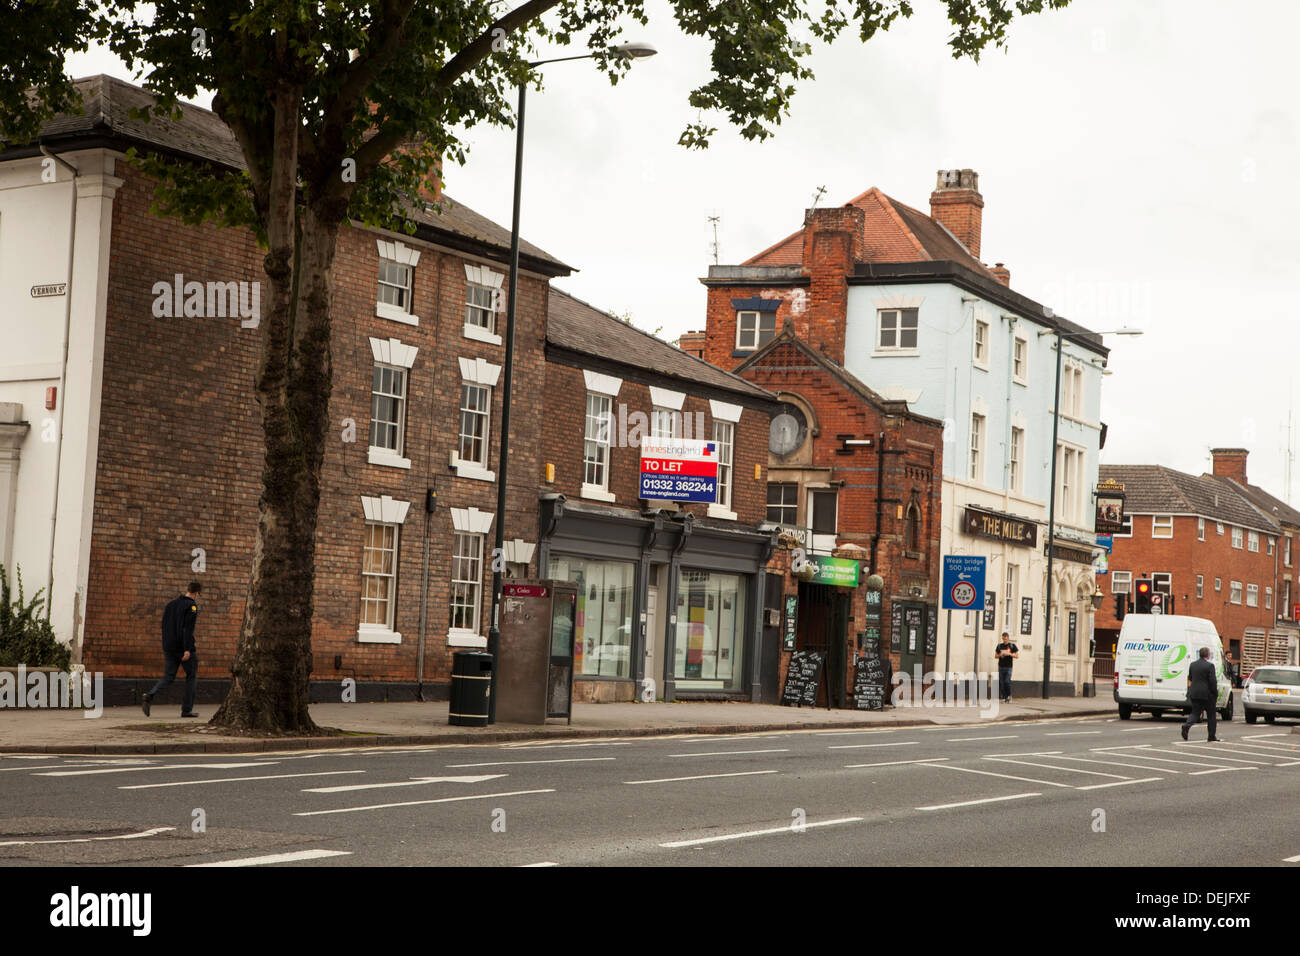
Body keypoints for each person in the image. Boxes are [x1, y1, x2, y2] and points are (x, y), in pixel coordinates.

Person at [143, 582, 202, 718]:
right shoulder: (192, 606)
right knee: (191, 677)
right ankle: (186, 710)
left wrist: (167, 645)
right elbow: (188, 629)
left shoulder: (171, 604)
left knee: (168, 677)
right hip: (183, 648)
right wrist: (187, 649)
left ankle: (149, 695)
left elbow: (164, 626)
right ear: (196, 593)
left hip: (169, 646)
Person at [1181, 646, 1220, 741]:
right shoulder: (1210, 666)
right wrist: (1215, 693)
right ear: (1208, 655)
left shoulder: (1193, 665)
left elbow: (1190, 677)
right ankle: (1211, 736)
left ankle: (1187, 725)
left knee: (1195, 713)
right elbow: (1212, 681)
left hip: (1194, 692)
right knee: (1211, 716)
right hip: (1207, 694)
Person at [994, 631, 1018, 703]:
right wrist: (1000, 655)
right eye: (1003, 639)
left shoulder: (1012, 646)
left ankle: (1009, 696)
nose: (1004, 640)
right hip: (1001, 666)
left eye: (1006, 639)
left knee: (1007, 681)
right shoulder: (999, 646)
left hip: (1009, 667)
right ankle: (1004, 697)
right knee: (1002, 683)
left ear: (1008, 638)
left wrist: (1010, 654)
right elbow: (995, 656)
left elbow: (1017, 656)